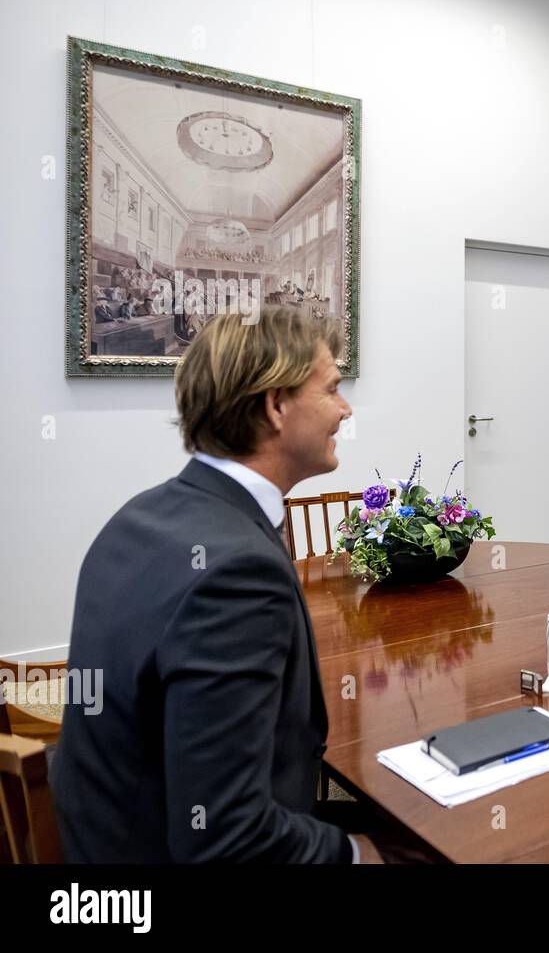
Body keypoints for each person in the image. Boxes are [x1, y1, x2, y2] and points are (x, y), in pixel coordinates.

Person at [55, 308, 386, 862]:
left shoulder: (137, 518)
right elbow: (226, 839)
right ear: (275, 406)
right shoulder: (236, 572)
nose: (346, 410)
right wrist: (355, 855)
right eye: (332, 390)